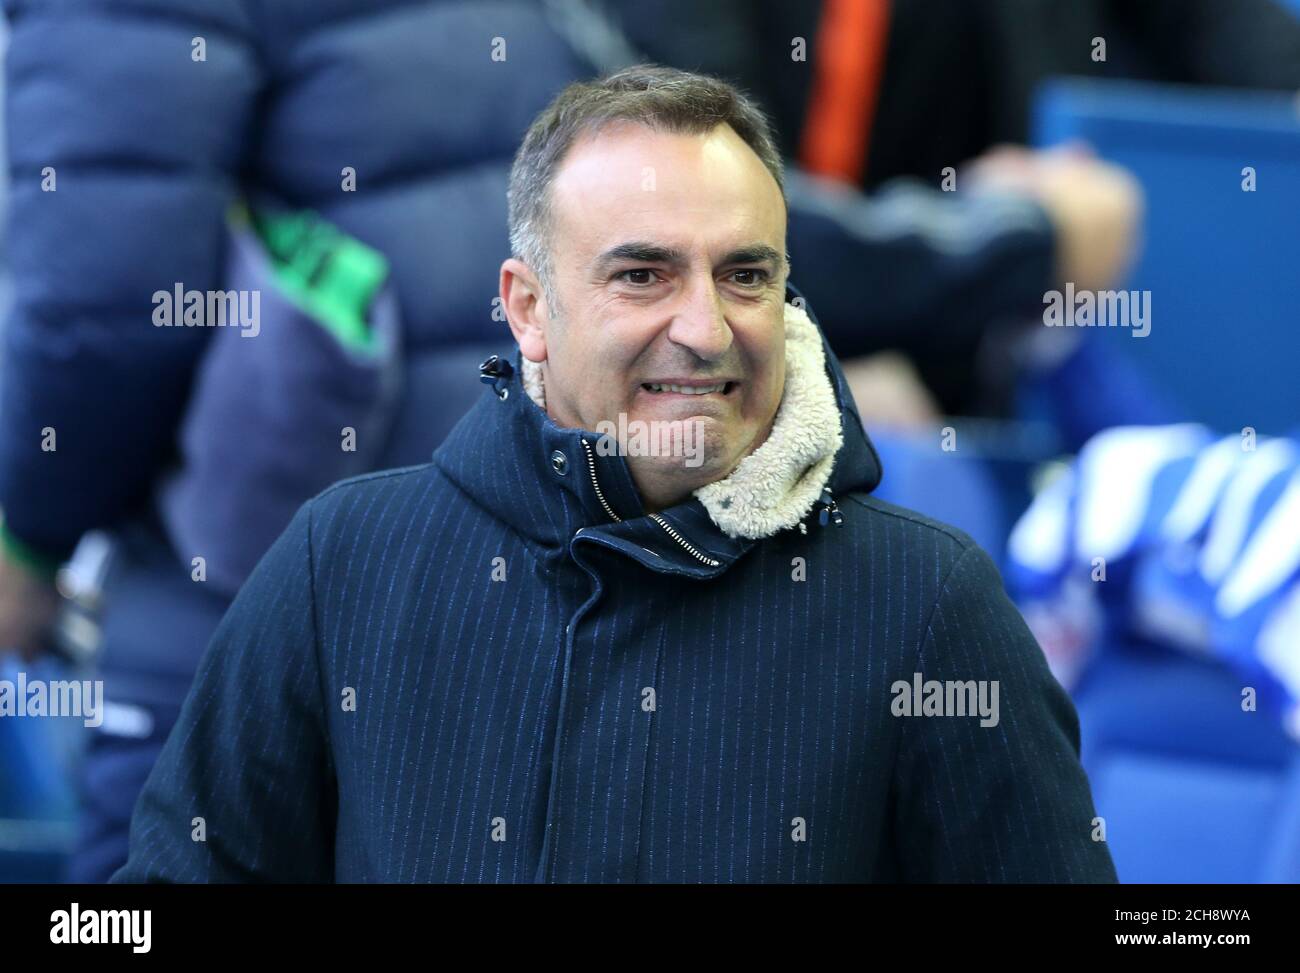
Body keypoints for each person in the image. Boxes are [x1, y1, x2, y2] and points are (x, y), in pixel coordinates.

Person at [111, 66, 1116, 883]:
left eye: (745, 275)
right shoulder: (343, 565)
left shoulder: (927, 605)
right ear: (528, 307)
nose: (705, 327)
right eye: (642, 274)